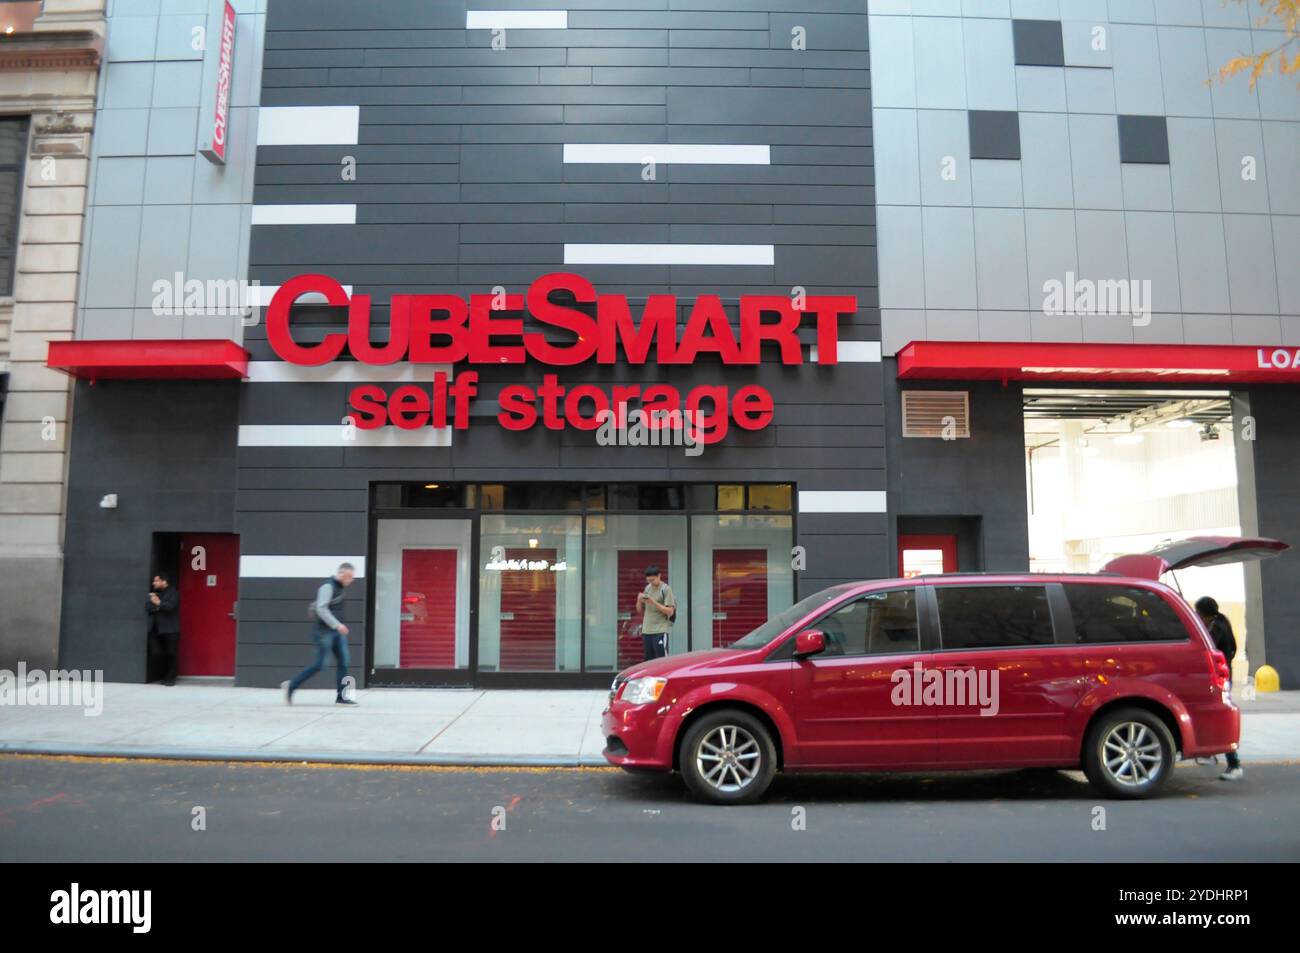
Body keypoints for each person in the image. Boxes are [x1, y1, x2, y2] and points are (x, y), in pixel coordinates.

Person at [285, 563, 357, 705]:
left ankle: (341, 697)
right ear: (341, 574)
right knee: (320, 665)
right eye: (349, 576)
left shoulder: (340, 588)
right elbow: (321, 609)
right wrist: (337, 625)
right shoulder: (327, 587)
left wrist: (338, 627)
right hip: (324, 632)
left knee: (344, 661)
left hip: (337, 632)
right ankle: (292, 685)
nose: (351, 580)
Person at [1195, 595, 1242, 781]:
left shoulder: (1215, 627)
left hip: (1219, 679)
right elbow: (1233, 649)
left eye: (1198, 613)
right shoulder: (1223, 622)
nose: (1197, 616)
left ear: (1205, 614)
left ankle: (1234, 764)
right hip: (1225, 676)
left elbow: (1208, 647)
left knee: (1219, 717)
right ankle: (1209, 752)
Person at [146, 573, 181, 686]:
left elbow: (170, 607)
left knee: (171, 654)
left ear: (164, 582)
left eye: (156, 581)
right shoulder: (155, 594)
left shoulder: (173, 593)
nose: (154, 583)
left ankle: (170, 678)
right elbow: (148, 607)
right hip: (156, 629)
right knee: (158, 653)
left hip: (170, 629)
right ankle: (163, 675)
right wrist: (159, 605)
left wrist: (158, 603)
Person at [635, 565, 675, 661]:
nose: (650, 583)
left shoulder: (666, 589)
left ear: (659, 576)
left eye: (652, 580)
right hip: (647, 630)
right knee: (648, 661)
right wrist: (639, 600)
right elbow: (639, 610)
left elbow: (670, 611)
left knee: (661, 660)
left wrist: (654, 602)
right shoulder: (648, 588)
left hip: (660, 631)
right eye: (648, 580)